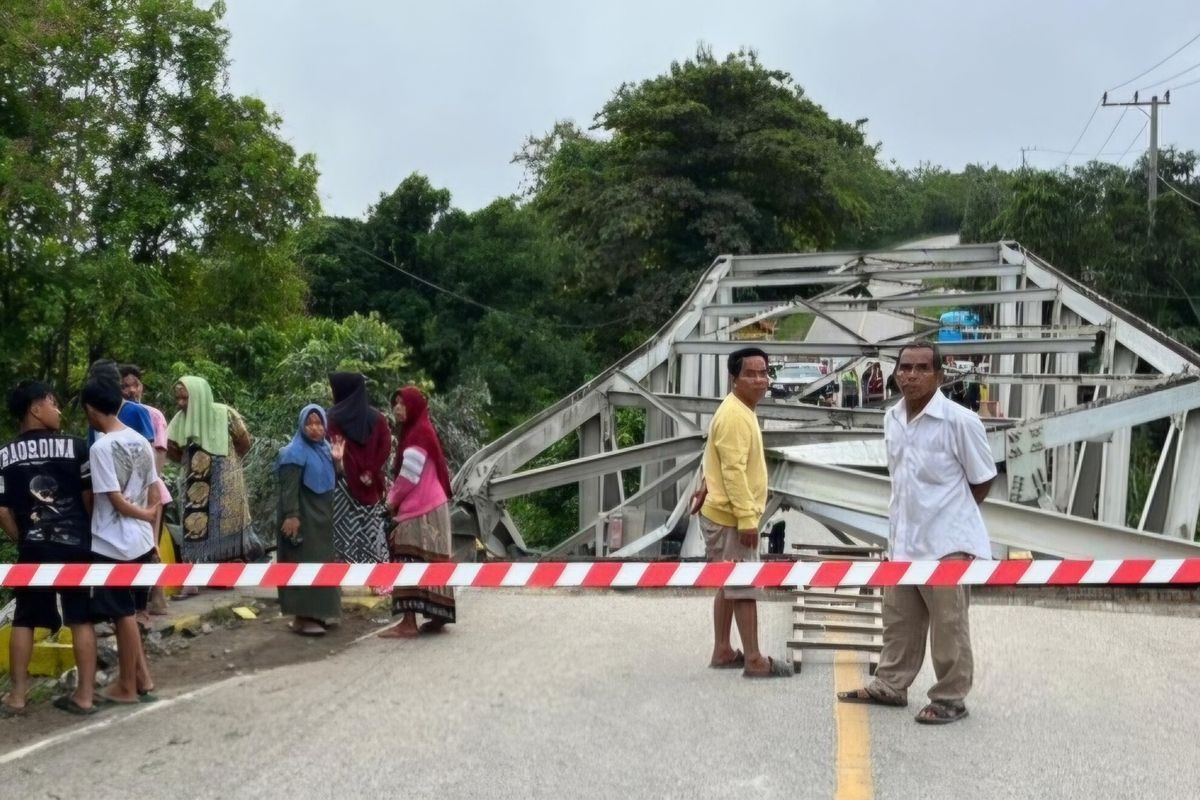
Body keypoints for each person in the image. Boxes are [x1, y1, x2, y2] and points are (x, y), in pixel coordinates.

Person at [837, 342, 996, 724]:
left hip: (947, 543)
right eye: (904, 368)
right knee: (899, 618)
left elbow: (983, 479)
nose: (911, 375)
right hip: (904, 538)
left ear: (939, 376)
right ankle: (891, 684)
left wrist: (950, 516)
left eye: (922, 368)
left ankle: (950, 697)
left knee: (948, 625)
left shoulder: (960, 421)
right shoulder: (892, 417)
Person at [690, 347, 791, 679]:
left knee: (727, 582)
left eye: (764, 373)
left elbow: (718, 458)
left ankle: (722, 649)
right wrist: (748, 518)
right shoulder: (735, 415)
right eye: (751, 374)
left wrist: (707, 482)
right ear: (734, 379)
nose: (760, 380)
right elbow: (732, 471)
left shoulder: (739, 409)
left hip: (722, 512)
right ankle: (754, 659)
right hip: (732, 518)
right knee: (744, 585)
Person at [0, 381, 100, 717]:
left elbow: (1, 509)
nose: (58, 410)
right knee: (80, 619)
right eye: (53, 403)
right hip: (75, 545)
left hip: (34, 549)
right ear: (35, 408)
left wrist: (21, 537)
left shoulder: (3, 455)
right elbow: (90, 497)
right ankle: (85, 695)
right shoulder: (76, 447)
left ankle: (17, 696)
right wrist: (83, 531)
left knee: (25, 620)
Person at [82, 378, 161, 706]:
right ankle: (143, 679)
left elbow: (112, 499)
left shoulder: (100, 448)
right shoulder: (141, 441)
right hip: (141, 543)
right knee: (130, 610)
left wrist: (142, 515)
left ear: (90, 409)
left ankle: (127, 684)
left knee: (122, 614)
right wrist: (151, 525)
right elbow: (156, 489)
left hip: (113, 543)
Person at [383, 387, 456, 639]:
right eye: (395, 404)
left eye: (403, 404)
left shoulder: (416, 435)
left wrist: (391, 501)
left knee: (407, 560)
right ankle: (437, 617)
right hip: (433, 506)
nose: (397, 408)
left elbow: (408, 477)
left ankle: (408, 623)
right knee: (432, 561)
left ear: (413, 407)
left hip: (420, 509)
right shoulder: (420, 430)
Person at [165, 375, 256, 568]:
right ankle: (197, 573)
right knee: (195, 524)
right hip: (195, 484)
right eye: (178, 398)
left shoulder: (225, 414)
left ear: (199, 396)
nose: (180, 403)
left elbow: (244, 442)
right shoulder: (178, 421)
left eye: (185, 398)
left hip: (226, 481)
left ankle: (226, 570)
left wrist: (227, 463)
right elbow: (171, 449)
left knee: (226, 523)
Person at [276, 404, 341, 636]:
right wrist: (292, 516)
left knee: (321, 563)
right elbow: (289, 489)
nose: (315, 428)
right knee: (301, 563)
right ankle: (302, 617)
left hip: (321, 520)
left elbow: (332, 479)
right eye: (309, 423)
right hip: (302, 518)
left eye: (319, 423)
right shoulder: (292, 453)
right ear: (301, 426)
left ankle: (319, 613)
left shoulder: (325, 449)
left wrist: (337, 461)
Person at [120, 364, 172, 617]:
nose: (131, 390)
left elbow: (159, 453)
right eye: (125, 385)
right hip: (123, 495)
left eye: (135, 384)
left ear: (142, 385)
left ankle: (158, 597)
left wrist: (152, 485)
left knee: (151, 545)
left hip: (151, 492)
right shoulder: (115, 414)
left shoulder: (153, 415)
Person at [325, 372, 391, 565]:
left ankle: (342, 581)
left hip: (342, 486)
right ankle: (378, 580)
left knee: (342, 539)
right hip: (370, 486)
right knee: (373, 535)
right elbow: (385, 447)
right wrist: (371, 470)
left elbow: (333, 449)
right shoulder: (378, 419)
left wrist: (348, 468)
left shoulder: (331, 419)